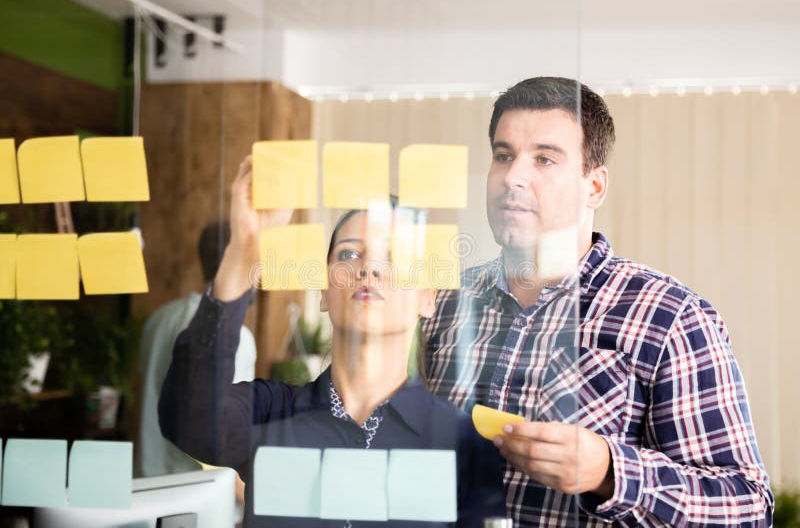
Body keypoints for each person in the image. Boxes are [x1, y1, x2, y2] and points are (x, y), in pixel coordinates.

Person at [422, 76, 773, 526]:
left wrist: (610, 472)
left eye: (544, 159)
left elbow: (746, 507)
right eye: (503, 155)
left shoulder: (671, 316)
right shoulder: (443, 305)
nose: (513, 177)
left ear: (595, 187)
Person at [158, 157, 506, 527]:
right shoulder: (270, 414)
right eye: (349, 254)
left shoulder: (462, 442)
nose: (368, 269)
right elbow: (188, 419)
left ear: (428, 298)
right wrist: (241, 257)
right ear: (324, 293)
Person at [137, 220, 257, 477]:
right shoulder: (237, 338)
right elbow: (224, 433)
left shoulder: (158, 320)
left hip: (147, 487)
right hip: (197, 500)